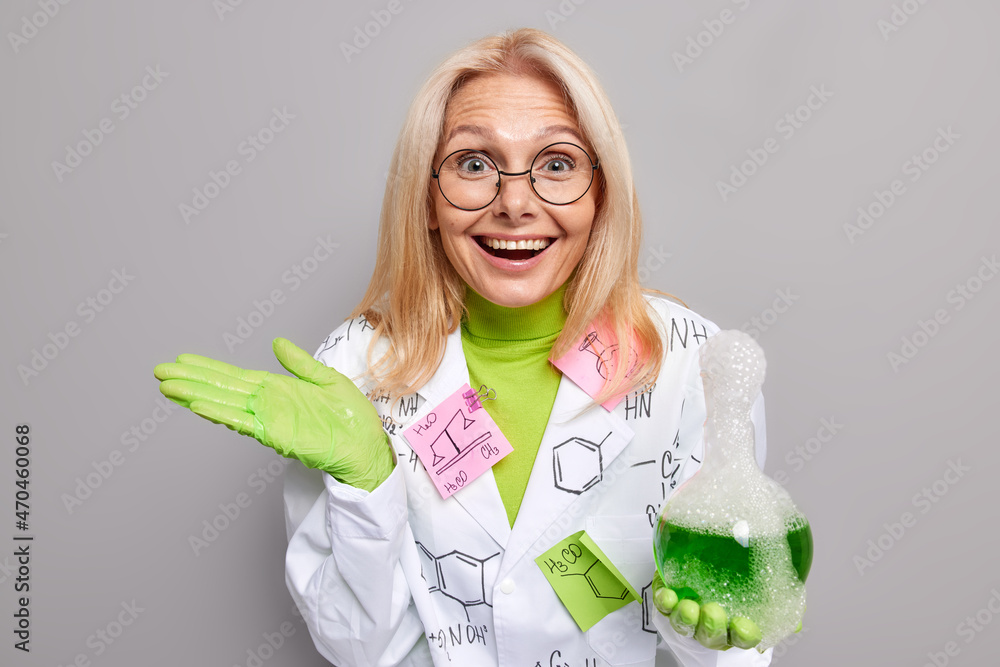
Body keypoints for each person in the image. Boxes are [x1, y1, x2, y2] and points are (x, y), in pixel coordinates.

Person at [154, 28, 776, 667]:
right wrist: (368, 485)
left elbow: (729, 640)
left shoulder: (692, 361)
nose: (515, 204)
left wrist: (713, 631)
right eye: (474, 164)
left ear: (601, 192)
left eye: (556, 164)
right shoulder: (355, 368)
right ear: (427, 198)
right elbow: (358, 648)